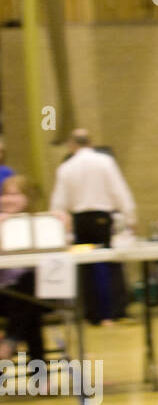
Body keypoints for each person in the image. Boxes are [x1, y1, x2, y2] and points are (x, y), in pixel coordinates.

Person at [48, 130, 135, 325]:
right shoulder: (105, 162)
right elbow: (119, 191)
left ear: (71, 145)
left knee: (86, 266)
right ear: (91, 142)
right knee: (110, 264)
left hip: (80, 220)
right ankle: (114, 311)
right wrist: (130, 216)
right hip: (102, 219)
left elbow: (59, 202)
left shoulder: (66, 167)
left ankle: (92, 313)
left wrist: (60, 226)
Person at [0, 175, 57, 364]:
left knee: (29, 282)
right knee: (30, 313)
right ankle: (40, 377)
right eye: (5, 194)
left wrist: (61, 224)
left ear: (27, 198)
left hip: (37, 293)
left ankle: (10, 341)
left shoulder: (42, 222)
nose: (8, 199)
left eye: (14, 194)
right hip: (5, 294)